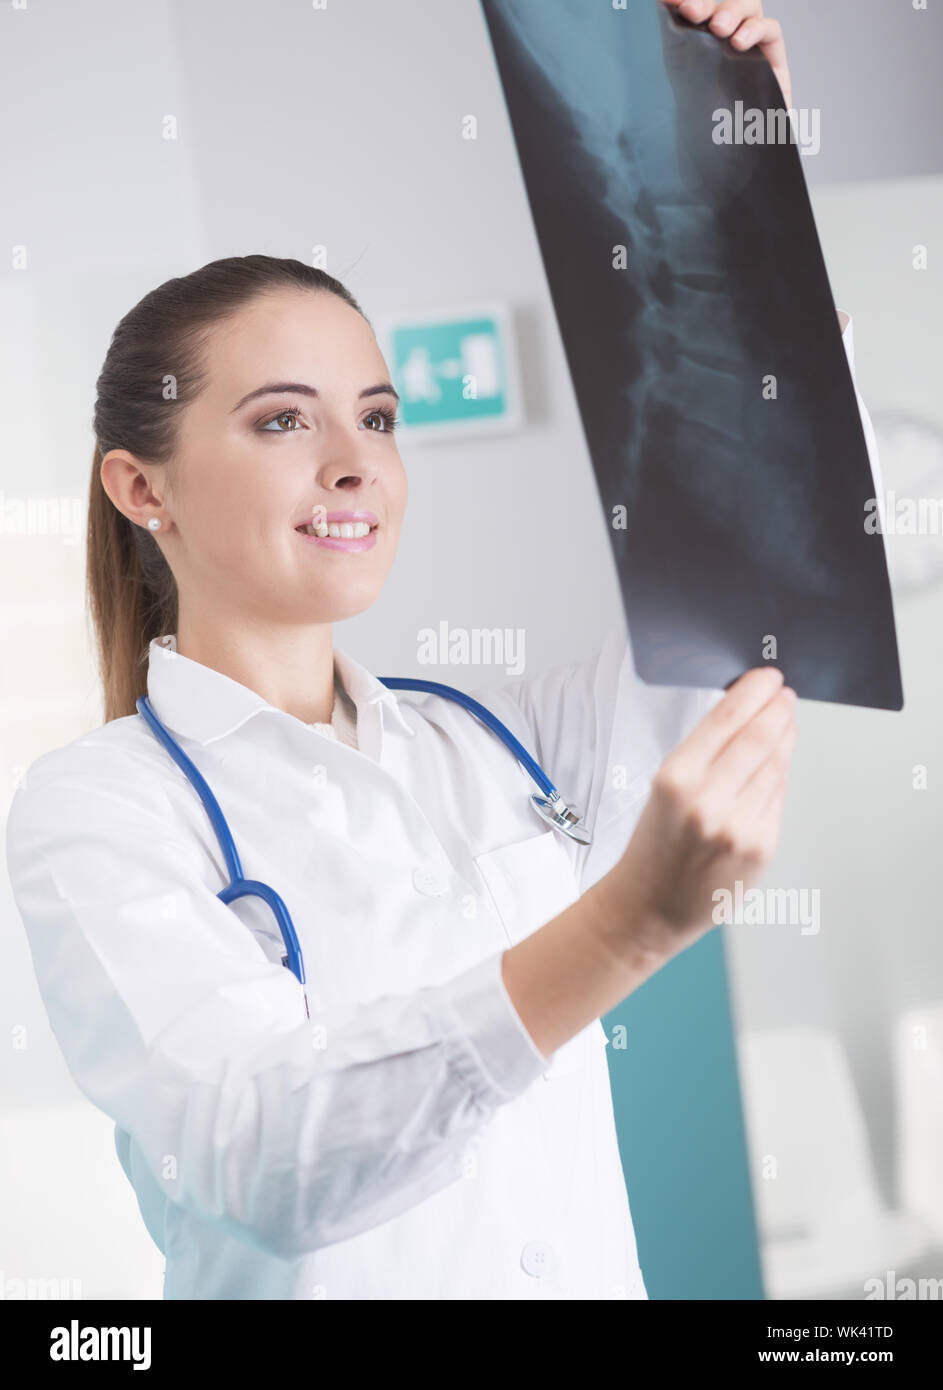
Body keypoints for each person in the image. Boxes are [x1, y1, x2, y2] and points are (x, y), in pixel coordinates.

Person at [5, 2, 874, 1300]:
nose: (356, 459)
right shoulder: (97, 813)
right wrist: (627, 925)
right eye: (282, 419)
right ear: (144, 489)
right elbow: (262, 1155)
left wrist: (737, 184)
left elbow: (748, 561)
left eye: (378, 413)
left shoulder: (497, 737)